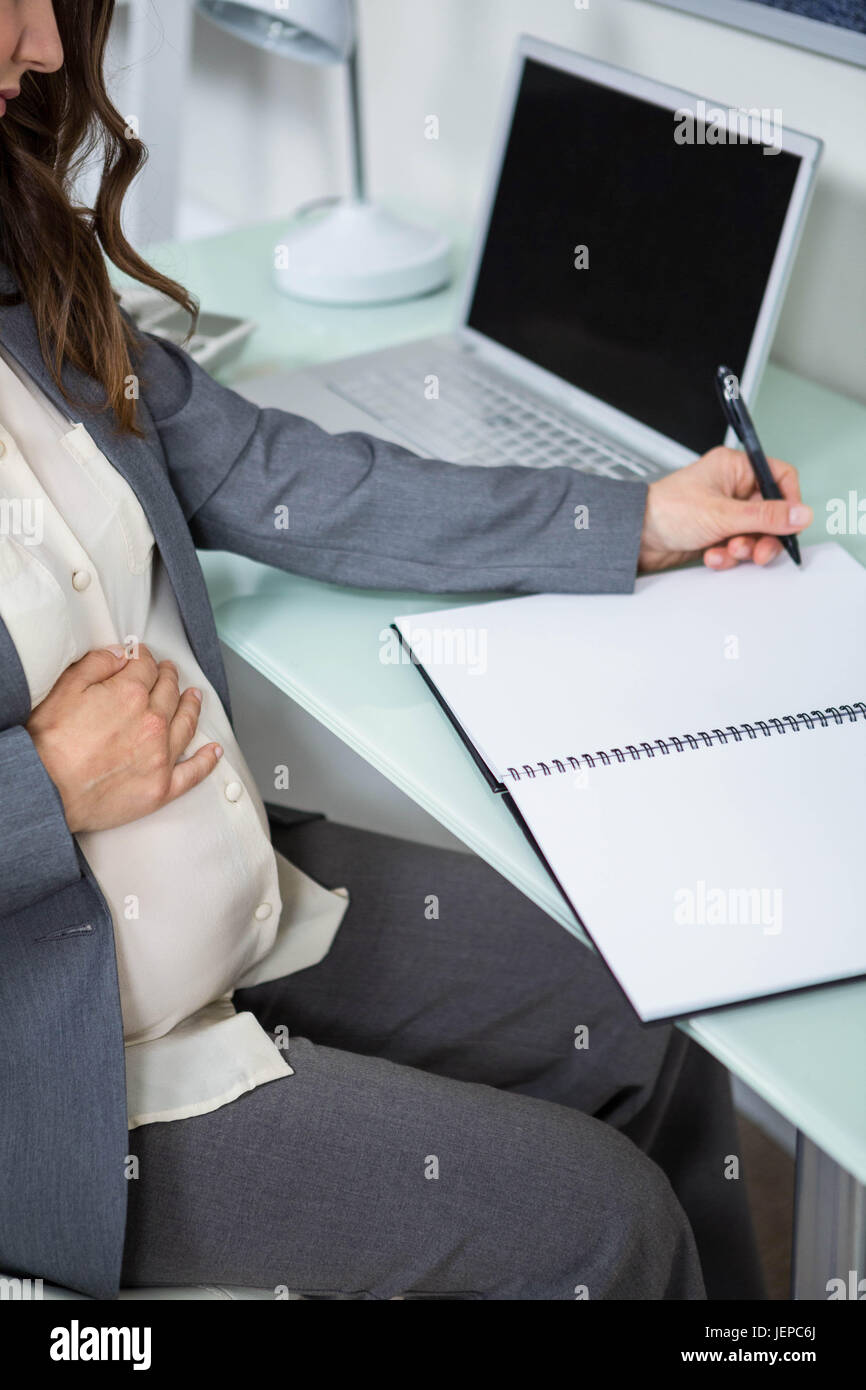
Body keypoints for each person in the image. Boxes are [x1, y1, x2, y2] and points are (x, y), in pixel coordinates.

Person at [0, 0, 812, 1301]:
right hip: (62, 1074)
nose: (47, 47)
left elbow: (268, 472)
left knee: (655, 1009)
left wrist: (630, 520)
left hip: (233, 895)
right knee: (606, 1226)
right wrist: (42, 788)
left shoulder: (15, 247)